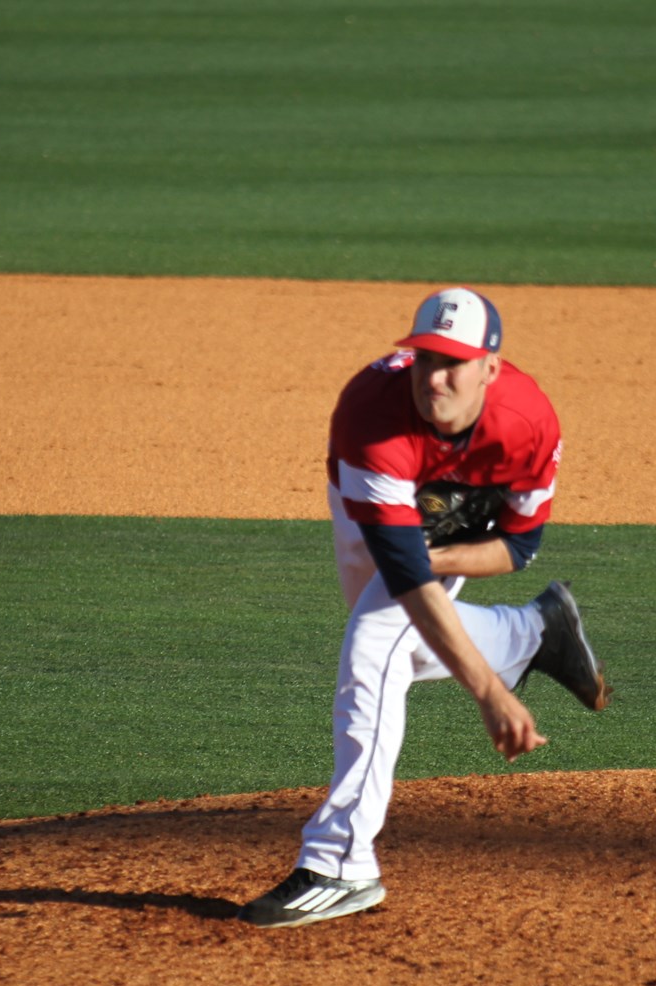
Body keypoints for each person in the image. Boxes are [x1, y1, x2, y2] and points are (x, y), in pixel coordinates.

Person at [237, 286, 611, 928]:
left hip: (450, 525)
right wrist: (491, 691)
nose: (435, 377)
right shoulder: (370, 415)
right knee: (401, 638)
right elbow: (405, 576)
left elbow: (520, 547)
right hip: (371, 508)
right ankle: (530, 633)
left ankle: (340, 862)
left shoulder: (527, 423)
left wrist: (426, 557)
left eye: (454, 363)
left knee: (373, 646)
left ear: (490, 367)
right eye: (425, 359)